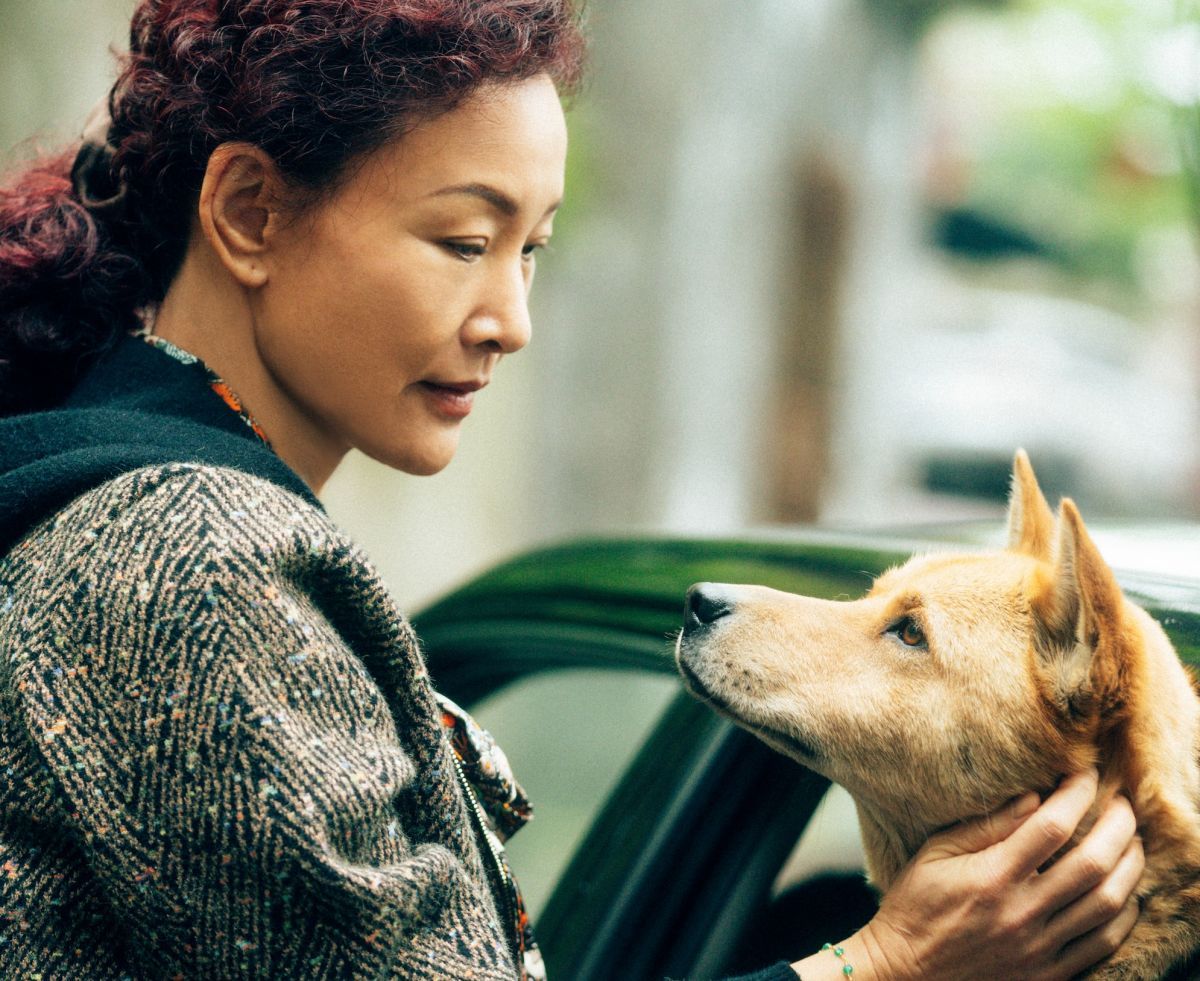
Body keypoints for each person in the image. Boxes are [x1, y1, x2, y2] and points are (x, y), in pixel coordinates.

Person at [0, 2, 1143, 978]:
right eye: (463, 241)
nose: (512, 321)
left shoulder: (152, 499)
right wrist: (888, 961)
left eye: (532, 247)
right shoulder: (189, 555)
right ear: (250, 213)